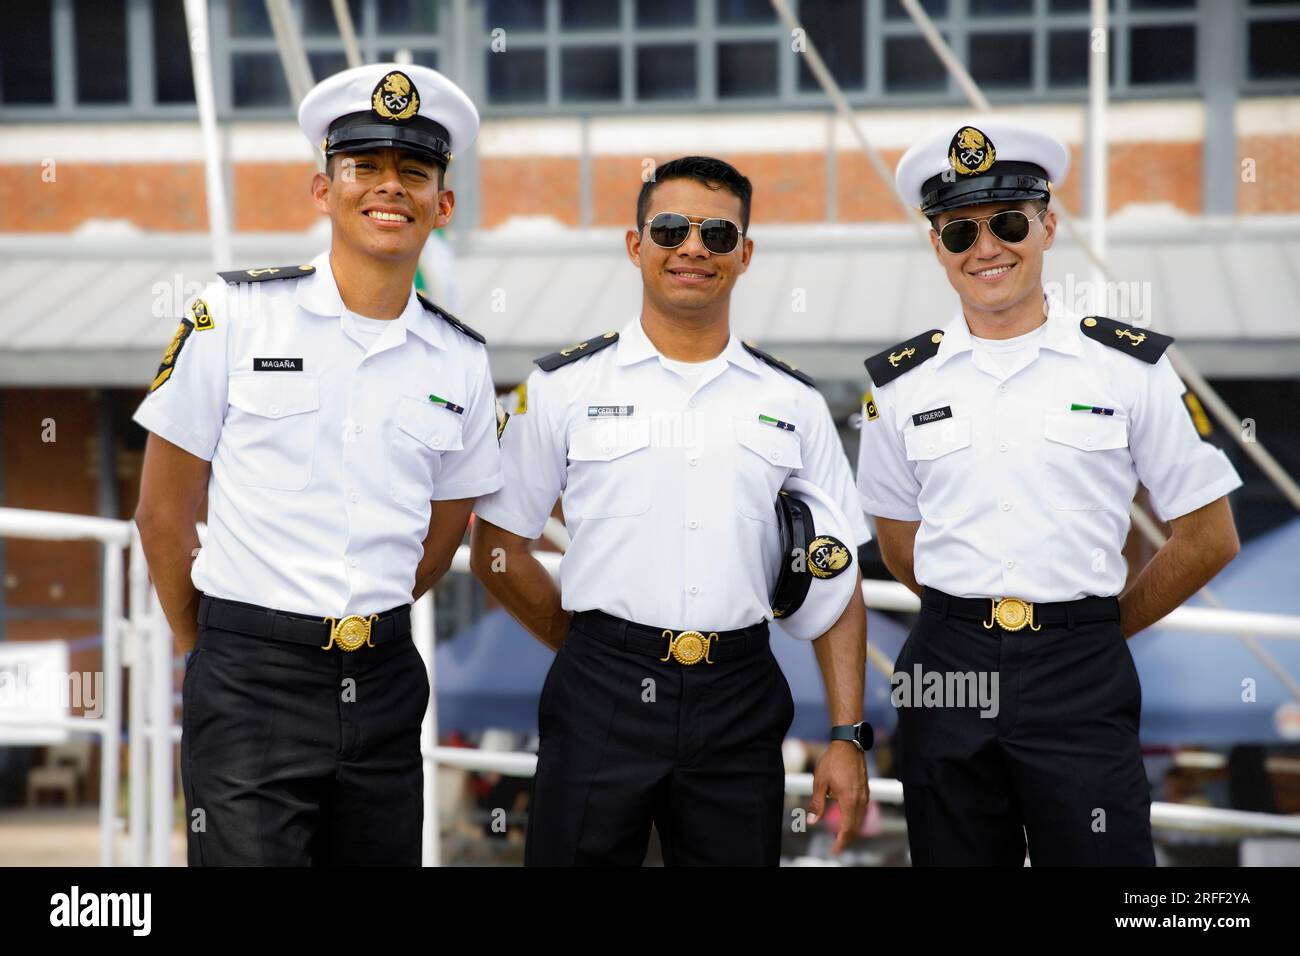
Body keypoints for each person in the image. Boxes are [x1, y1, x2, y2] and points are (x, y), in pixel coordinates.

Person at [131, 63, 502, 865]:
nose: (388, 187)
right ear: (322, 190)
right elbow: (163, 513)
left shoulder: (462, 359)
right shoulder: (232, 314)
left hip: (385, 677)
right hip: (248, 678)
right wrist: (220, 645)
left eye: (414, 171)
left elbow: (442, 535)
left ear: (443, 204)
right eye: (363, 166)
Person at [857, 118, 1243, 866]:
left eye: (1007, 222)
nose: (986, 248)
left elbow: (1209, 535)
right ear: (935, 245)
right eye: (959, 232)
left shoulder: (1130, 368)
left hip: (1080, 666)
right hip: (949, 668)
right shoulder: (896, 388)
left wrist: (1097, 626)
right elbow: (902, 544)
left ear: (1048, 225)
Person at [470, 156, 873, 866]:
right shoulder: (562, 387)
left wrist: (845, 734)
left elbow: (838, 580)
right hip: (599, 691)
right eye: (670, 229)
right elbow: (497, 548)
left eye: (718, 233)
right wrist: (580, 641)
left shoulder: (795, 404)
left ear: (745, 255)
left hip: (740, 698)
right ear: (636, 245)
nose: (694, 248)